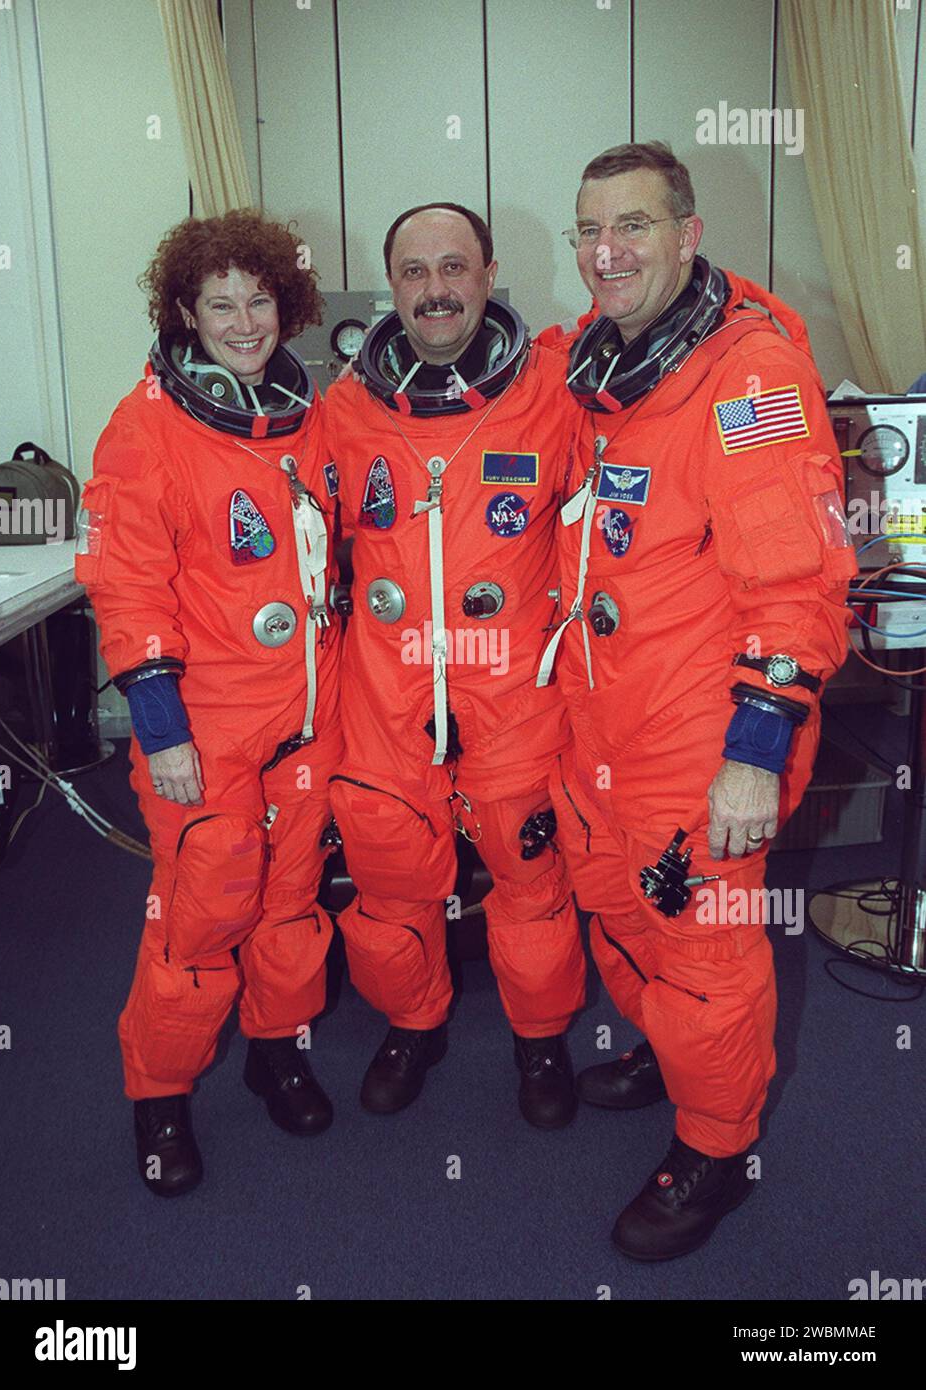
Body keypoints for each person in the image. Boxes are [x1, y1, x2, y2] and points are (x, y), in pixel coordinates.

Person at [537, 143, 855, 1256]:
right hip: (601, 719)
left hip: (702, 735)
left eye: (630, 226)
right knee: (621, 909)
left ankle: (715, 1150)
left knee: (706, 948)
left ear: (688, 233)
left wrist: (753, 751)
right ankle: (662, 1048)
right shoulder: (598, 365)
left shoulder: (746, 377)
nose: (604, 251)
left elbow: (801, 582)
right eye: (586, 229)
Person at [75, 210, 344, 1197]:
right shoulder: (144, 426)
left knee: (289, 909)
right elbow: (125, 586)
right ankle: (160, 1093)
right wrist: (161, 730)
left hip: (306, 721)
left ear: (287, 303)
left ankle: (274, 1051)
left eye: (259, 298)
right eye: (219, 303)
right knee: (198, 920)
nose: (243, 320)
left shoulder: (307, 418)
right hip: (203, 732)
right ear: (184, 311)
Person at [322, 203, 585, 1127]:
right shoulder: (343, 411)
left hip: (509, 690)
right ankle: (412, 1021)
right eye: (413, 273)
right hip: (388, 691)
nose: (435, 291)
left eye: (454, 268)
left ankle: (542, 1038)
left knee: (530, 880)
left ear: (487, 273)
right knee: (391, 880)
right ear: (389, 285)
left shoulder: (555, 393)